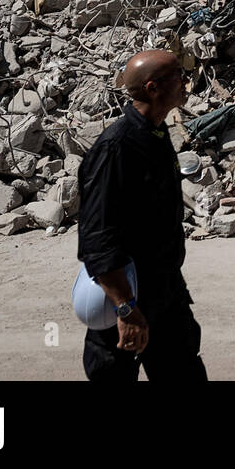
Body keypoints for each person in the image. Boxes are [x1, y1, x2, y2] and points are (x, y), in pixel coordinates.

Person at [77, 49, 208, 381]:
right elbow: (98, 239)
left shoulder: (156, 133)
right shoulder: (115, 148)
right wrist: (125, 308)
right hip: (127, 297)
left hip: (165, 291)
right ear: (152, 87)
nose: (185, 82)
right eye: (178, 75)